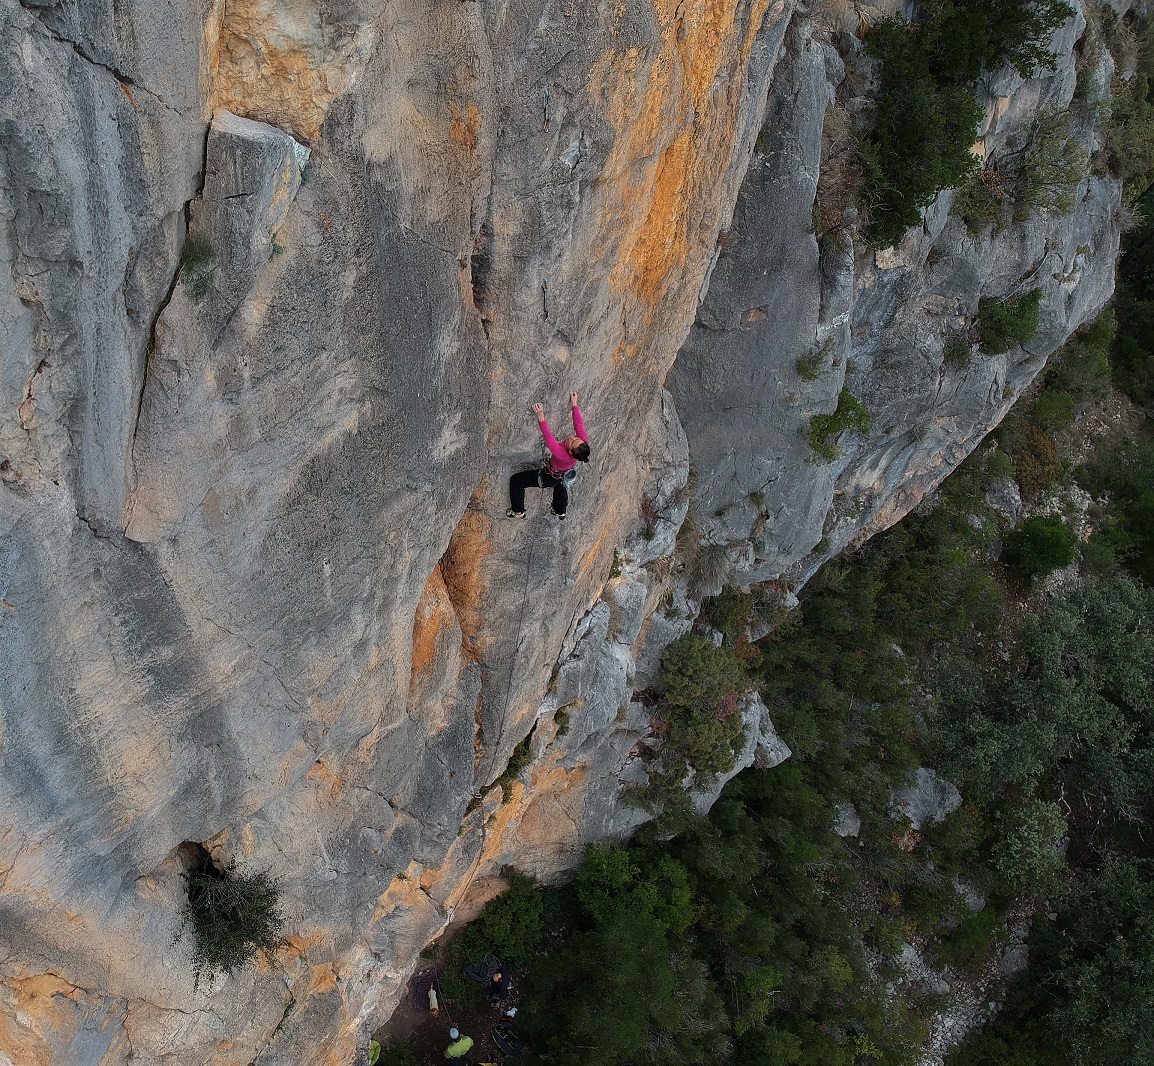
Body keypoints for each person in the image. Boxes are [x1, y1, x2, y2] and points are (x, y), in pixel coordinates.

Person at [507, 391, 591, 519]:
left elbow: (549, 438)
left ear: (570, 452)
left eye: (572, 442)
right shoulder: (581, 444)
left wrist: (541, 416)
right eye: (576, 438)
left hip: (548, 476)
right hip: (563, 474)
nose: (572, 437)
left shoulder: (561, 454)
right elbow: (579, 425)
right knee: (560, 485)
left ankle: (518, 511)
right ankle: (560, 511)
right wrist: (574, 405)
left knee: (516, 481)